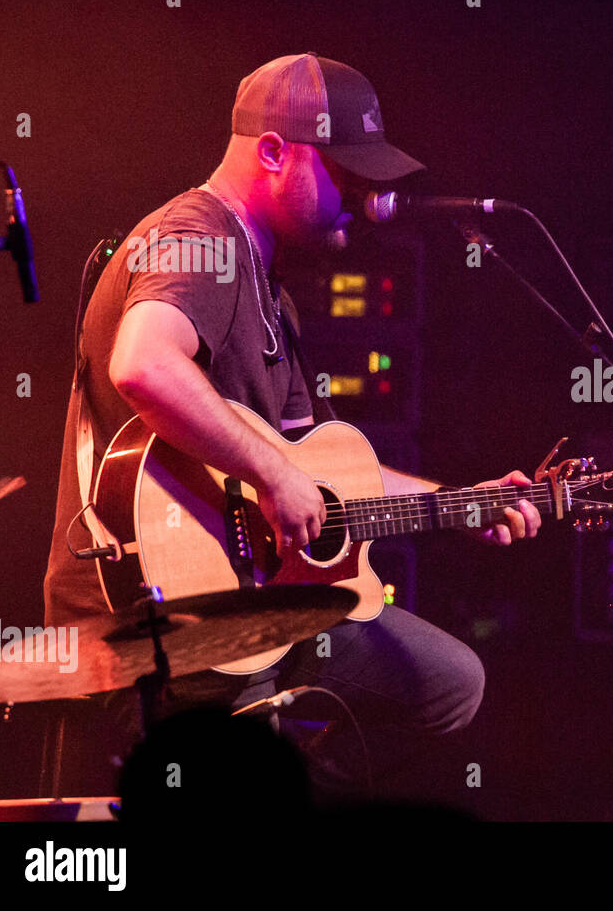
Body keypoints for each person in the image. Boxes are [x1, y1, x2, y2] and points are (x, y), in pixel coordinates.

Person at [42, 53, 541, 796]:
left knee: (448, 682)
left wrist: (459, 499)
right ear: (272, 152)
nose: (362, 198)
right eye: (342, 174)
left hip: (254, 599)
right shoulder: (197, 236)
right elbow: (143, 363)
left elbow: (326, 475)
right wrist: (272, 474)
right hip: (161, 615)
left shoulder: (274, 293)